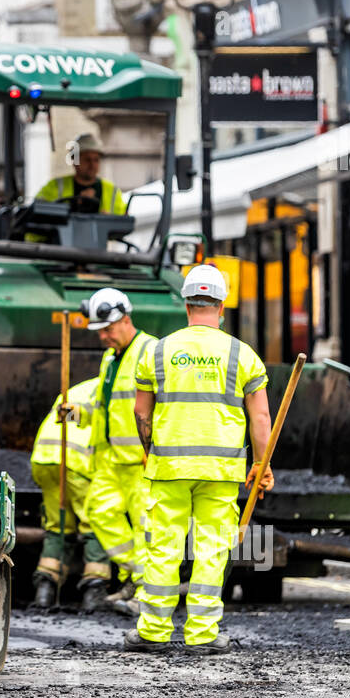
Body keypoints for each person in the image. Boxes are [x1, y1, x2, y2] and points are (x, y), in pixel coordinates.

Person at [127, 264, 272, 655]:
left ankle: (153, 631)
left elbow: (141, 414)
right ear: (222, 305)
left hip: (168, 467)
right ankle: (203, 634)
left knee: (164, 546)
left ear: (186, 303)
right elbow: (260, 418)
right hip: (221, 470)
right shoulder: (243, 355)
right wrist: (261, 465)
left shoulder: (156, 351)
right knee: (211, 548)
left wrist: (150, 452)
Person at [79, 288, 156, 609]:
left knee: (145, 525)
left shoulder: (150, 351)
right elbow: (105, 408)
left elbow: (159, 407)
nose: (104, 337)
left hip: (141, 460)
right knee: (98, 511)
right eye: (100, 332)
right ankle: (137, 575)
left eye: (108, 330)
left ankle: (146, 590)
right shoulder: (110, 359)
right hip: (112, 460)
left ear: (126, 320)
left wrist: (153, 450)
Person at [29, 377, 112, 610]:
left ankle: (45, 589)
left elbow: (68, 418)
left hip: (45, 457)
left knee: (58, 526)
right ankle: (94, 593)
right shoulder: (118, 387)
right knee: (95, 523)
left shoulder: (82, 388)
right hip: (76, 460)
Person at [35, 133, 129, 216]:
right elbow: (36, 212)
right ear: (75, 161)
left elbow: (124, 221)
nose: (92, 165)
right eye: (87, 159)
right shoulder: (54, 187)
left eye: (96, 160)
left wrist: (109, 220)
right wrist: (75, 205)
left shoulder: (112, 191)